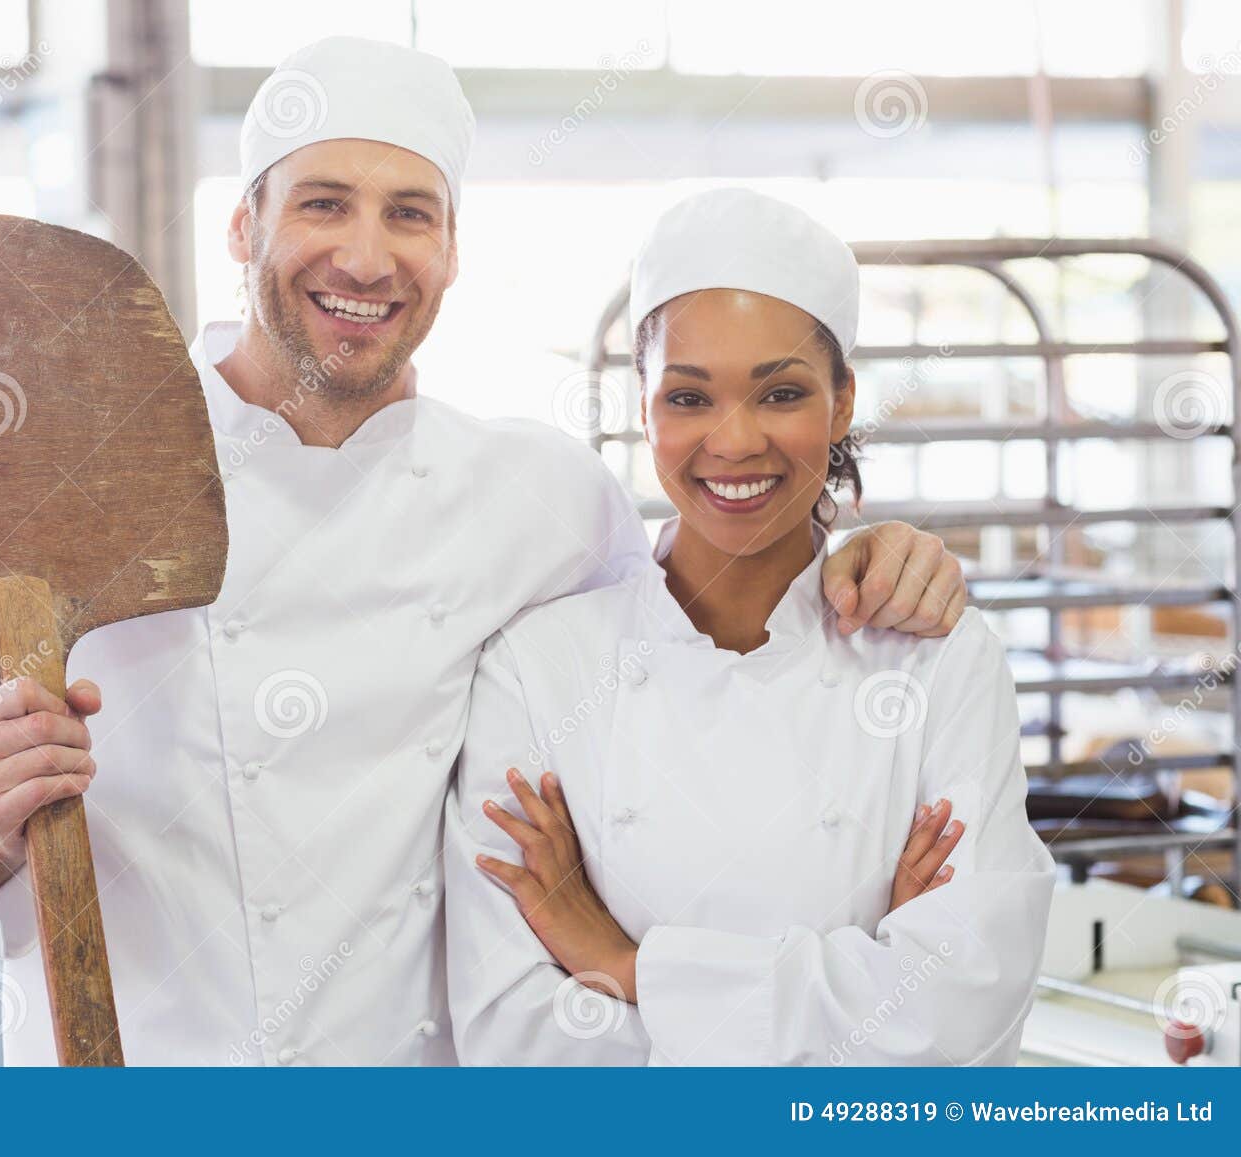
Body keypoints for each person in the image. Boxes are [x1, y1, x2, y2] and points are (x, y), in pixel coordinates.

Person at [0, 42, 968, 1066]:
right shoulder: (77, 477)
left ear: (452, 249)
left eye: (410, 214)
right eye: (324, 204)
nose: (367, 258)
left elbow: (701, 653)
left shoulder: (540, 498)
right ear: (245, 227)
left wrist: (862, 552)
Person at [444, 188, 1054, 1066]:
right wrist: (856, 982)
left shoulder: (937, 662)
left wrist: (625, 964)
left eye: (780, 392)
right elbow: (515, 1036)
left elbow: (957, 1016)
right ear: (644, 407)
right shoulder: (540, 669)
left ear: (843, 404)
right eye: (689, 398)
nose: (732, 443)